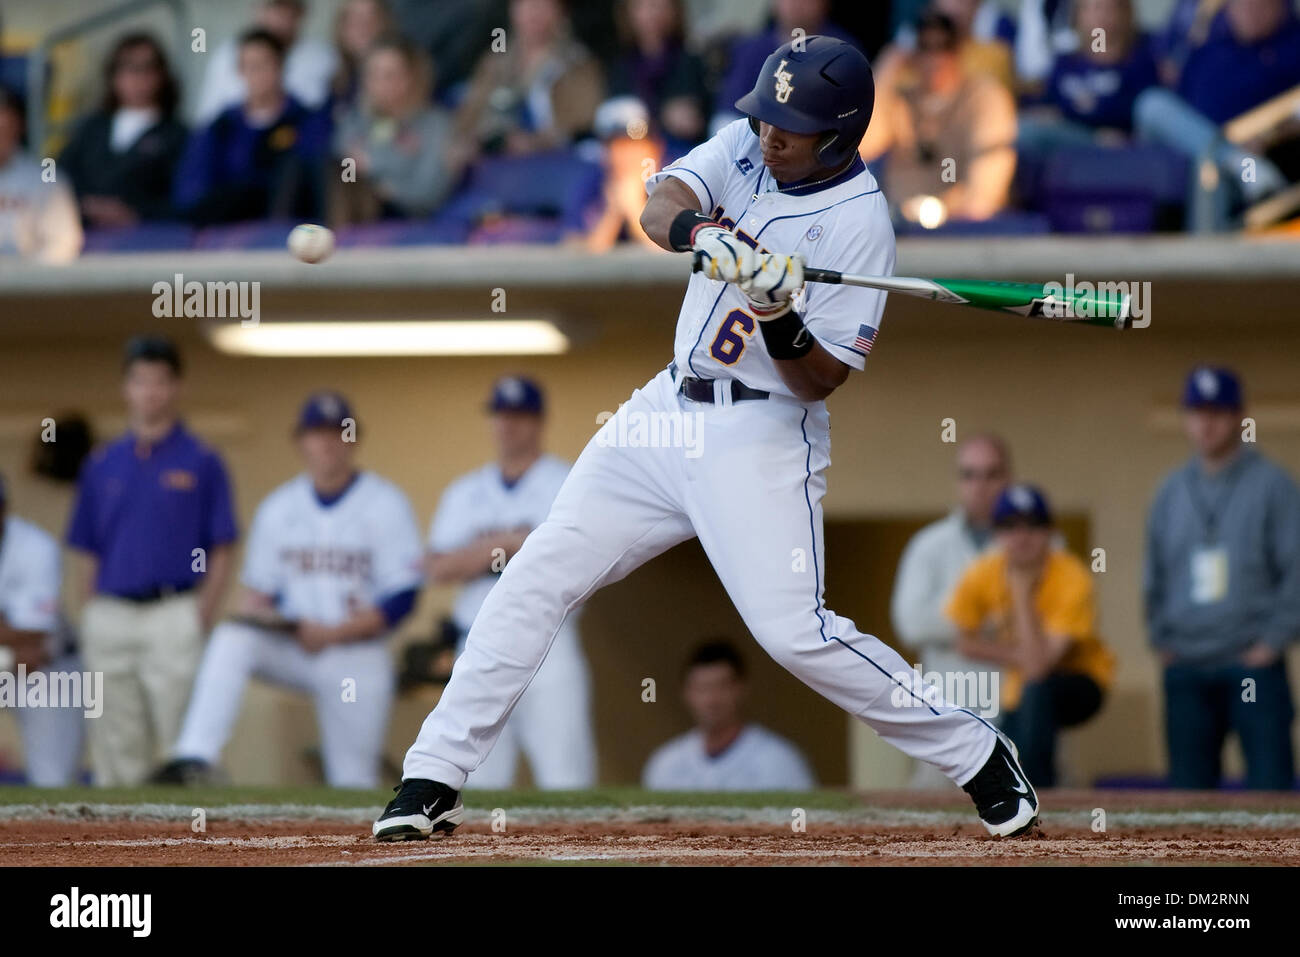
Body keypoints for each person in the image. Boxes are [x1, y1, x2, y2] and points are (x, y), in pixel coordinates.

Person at [375, 36, 1039, 843]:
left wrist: (779, 314)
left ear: (838, 134)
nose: (769, 136)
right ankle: (432, 775)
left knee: (797, 634)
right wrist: (700, 234)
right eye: (767, 119)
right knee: (538, 571)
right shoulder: (748, 146)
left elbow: (820, 378)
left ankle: (975, 751)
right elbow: (661, 200)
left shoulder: (861, 222)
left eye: (790, 128)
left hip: (760, 431)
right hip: (663, 409)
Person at [157, 393, 422, 788]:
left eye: (338, 432)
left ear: (353, 439)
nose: (328, 442)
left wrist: (332, 633)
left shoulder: (386, 503)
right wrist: (262, 614)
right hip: (295, 646)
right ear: (301, 441)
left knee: (352, 780)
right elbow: (260, 592)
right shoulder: (279, 507)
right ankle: (194, 757)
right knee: (234, 637)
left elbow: (403, 597)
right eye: (317, 433)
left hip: (356, 654)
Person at [66, 336, 238, 786]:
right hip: (111, 612)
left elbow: (222, 544)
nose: (150, 392)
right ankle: (121, 850)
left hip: (174, 610)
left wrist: (202, 612)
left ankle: (188, 848)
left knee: (180, 741)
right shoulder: (102, 463)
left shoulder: (202, 460)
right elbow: (89, 549)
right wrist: (92, 611)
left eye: (160, 382)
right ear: (126, 388)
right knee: (114, 740)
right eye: (141, 381)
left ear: (176, 387)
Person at [425, 377, 595, 789]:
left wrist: (485, 550)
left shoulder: (568, 479)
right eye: (501, 415)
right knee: (479, 779)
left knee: (566, 777)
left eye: (519, 416)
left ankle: (578, 856)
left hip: (550, 639)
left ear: (538, 421)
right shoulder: (465, 490)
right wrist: (511, 545)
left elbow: (576, 553)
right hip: (478, 642)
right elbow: (436, 567)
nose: (508, 425)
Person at [1145, 367, 1300, 790]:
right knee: (1188, 804)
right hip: (1187, 667)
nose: (1207, 423)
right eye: (1197, 411)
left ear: (1238, 417)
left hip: (1252, 667)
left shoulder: (1274, 485)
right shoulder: (1170, 491)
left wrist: (1271, 644)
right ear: (1186, 418)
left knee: (1272, 799)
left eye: (1218, 411)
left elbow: (1296, 570)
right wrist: (1162, 640)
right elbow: (1154, 573)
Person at [946, 484, 1115, 787]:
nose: (1021, 536)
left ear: (1049, 531)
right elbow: (963, 642)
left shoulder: (1072, 576)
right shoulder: (983, 572)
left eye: (1033, 525)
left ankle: (1040, 792)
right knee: (1003, 748)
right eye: (1010, 526)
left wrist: (1022, 594)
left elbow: (1040, 668)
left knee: (1038, 692)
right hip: (1024, 684)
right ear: (996, 534)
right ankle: (1033, 791)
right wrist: (1020, 656)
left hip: (1082, 680)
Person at [891, 433, 1011, 787]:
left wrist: (954, 622)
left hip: (1019, 718)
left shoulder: (1040, 543)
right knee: (934, 829)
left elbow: (1049, 626)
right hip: (946, 721)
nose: (981, 486)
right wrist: (990, 617)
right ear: (958, 482)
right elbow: (911, 624)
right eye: (970, 475)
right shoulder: (928, 545)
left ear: (1008, 478)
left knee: (1039, 831)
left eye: (992, 475)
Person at [1134, 0, 1300, 228]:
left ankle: (1205, 261)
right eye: (1242, 6)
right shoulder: (1208, 47)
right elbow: (1181, 109)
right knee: (1152, 104)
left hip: (1264, 163)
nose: (1251, 12)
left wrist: (1271, 135)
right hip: (1203, 154)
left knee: (1210, 170)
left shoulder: (1293, 47)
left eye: (1261, 5)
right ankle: (1233, 159)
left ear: (1281, 7)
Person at [860, 12, 1018, 225]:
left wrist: (940, 209)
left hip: (960, 232)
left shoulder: (984, 97)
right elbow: (863, 148)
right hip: (896, 228)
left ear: (959, 51)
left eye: (944, 46)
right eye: (925, 47)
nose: (935, 59)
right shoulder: (900, 100)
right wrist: (888, 66)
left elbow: (983, 197)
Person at [174, 29, 330, 225]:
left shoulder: (307, 121)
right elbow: (192, 189)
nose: (258, 74)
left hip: (289, 224)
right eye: (250, 66)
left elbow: (312, 182)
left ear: (281, 66)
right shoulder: (220, 127)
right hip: (227, 226)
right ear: (239, 71)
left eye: (264, 64)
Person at [0, 475, 85, 786]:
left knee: (53, 780)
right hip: (10, 660)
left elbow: (33, 640)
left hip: (48, 670)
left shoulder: (35, 546)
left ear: (3, 509)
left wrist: (17, 640)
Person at [643, 640, 815, 790]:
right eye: (702, 688)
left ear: (740, 688)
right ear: (686, 693)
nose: (711, 700)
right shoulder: (665, 763)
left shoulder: (779, 761)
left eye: (721, 687)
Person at [57, 33, 188, 229]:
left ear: (162, 75)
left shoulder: (177, 135)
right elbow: (60, 175)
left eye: (147, 68)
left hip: (144, 239)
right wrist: (85, 205)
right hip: (79, 233)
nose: (138, 77)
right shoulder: (91, 127)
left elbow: (185, 197)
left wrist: (136, 213)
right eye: (128, 68)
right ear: (113, 75)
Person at [454, 0, 604, 158]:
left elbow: (583, 124)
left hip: (554, 162)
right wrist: (469, 142)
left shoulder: (577, 63)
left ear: (560, 11)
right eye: (525, 3)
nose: (534, 10)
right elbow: (468, 116)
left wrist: (537, 142)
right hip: (494, 164)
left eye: (544, 4)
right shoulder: (495, 62)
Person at [331, 35, 458, 222]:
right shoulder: (354, 120)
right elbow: (343, 174)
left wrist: (373, 167)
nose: (379, 84)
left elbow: (428, 194)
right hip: (355, 219)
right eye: (372, 74)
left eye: (390, 75)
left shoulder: (436, 125)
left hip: (412, 221)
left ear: (411, 78)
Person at [1018, 0, 1159, 154]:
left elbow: (1137, 112)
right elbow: (1047, 104)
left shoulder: (1140, 61)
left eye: (1108, 8)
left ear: (1124, 13)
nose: (1100, 16)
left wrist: (1071, 112)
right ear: (1077, 15)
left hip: (1119, 148)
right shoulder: (1065, 62)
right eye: (1091, 8)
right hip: (1072, 141)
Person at [712, 0, 859, 132]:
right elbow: (727, 117)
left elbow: (856, 119)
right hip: (758, 149)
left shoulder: (844, 51)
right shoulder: (751, 49)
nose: (796, 4)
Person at [193, 0, 338, 124]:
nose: (278, 18)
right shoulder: (227, 55)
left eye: (285, 9)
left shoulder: (323, 58)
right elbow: (208, 119)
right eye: (272, 8)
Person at [0, 89, 82, 263]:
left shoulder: (46, 176)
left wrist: (26, 281)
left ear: (19, 126)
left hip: (24, 283)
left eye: (3, 128)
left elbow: (62, 243)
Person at [329, 0, 395, 114]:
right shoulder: (334, 78)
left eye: (372, 19)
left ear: (386, 24)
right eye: (354, 20)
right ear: (341, 28)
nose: (363, 27)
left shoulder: (409, 75)